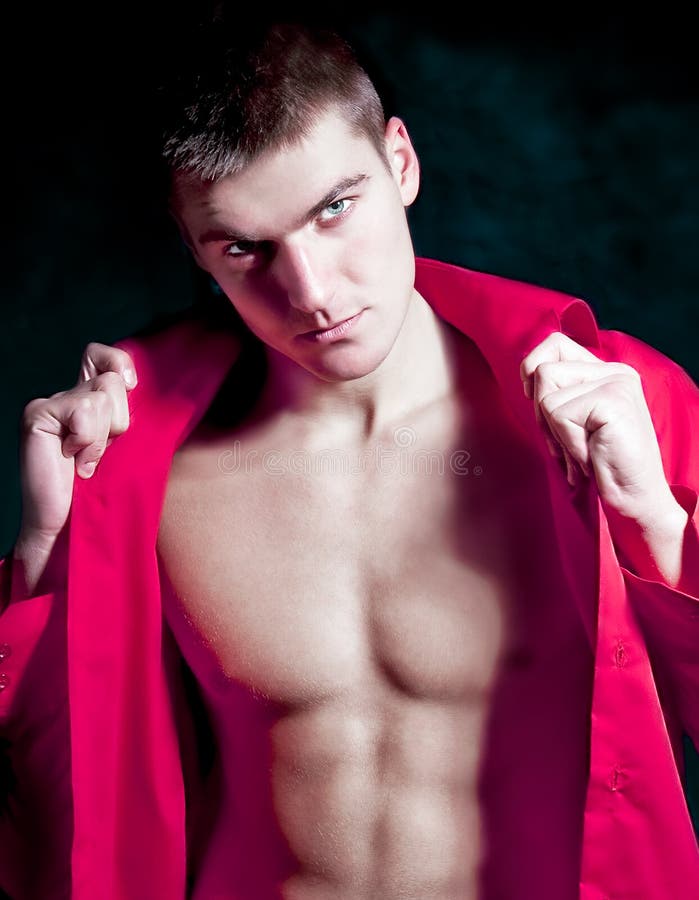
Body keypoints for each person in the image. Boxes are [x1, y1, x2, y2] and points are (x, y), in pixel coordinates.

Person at [2, 15, 698, 900]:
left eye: (335, 209)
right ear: (194, 249)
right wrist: (44, 550)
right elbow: (49, 829)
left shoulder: (619, 405)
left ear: (399, 163)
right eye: (245, 248)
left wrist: (655, 528)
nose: (311, 292)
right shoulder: (137, 472)